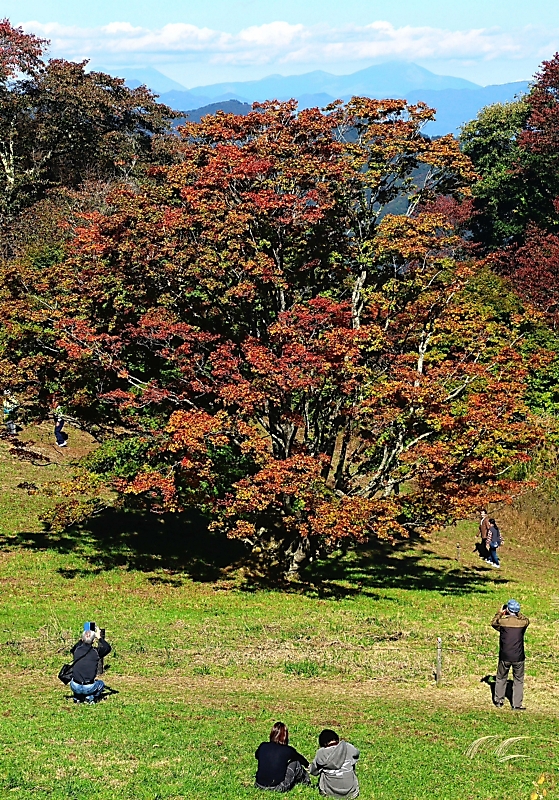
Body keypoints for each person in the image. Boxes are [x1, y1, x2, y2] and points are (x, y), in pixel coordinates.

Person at [491, 599, 529, 710]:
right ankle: (517, 705)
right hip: (518, 656)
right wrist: (518, 613)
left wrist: (500, 613)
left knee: (501, 677)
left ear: (507, 610)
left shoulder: (502, 623)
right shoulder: (523, 623)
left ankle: (498, 701)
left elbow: (493, 623)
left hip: (505, 656)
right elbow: (526, 620)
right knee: (518, 680)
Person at [255, 721, 310, 792]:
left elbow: (257, 756)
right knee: (296, 763)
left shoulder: (263, 745)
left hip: (259, 784)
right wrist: (307, 765)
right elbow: (300, 759)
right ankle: (306, 782)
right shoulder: (288, 750)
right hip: (277, 787)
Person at [309, 729, 360, 799]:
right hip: (352, 793)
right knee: (351, 762)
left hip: (329, 793)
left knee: (321, 769)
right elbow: (356, 754)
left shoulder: (321, 753)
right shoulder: (348, 747)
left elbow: (313, 771)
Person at [69, 628, 112, 704]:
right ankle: (89, 698)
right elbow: (107, 648)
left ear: (82, 639)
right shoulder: (96, 652)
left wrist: (83, 638)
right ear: (93, 641)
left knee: (76, 680)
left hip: (74, 685)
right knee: (101, 684)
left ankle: (77, 697)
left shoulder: (76, 650)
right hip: (89, 687)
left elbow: (73, 648)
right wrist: (99, 637)